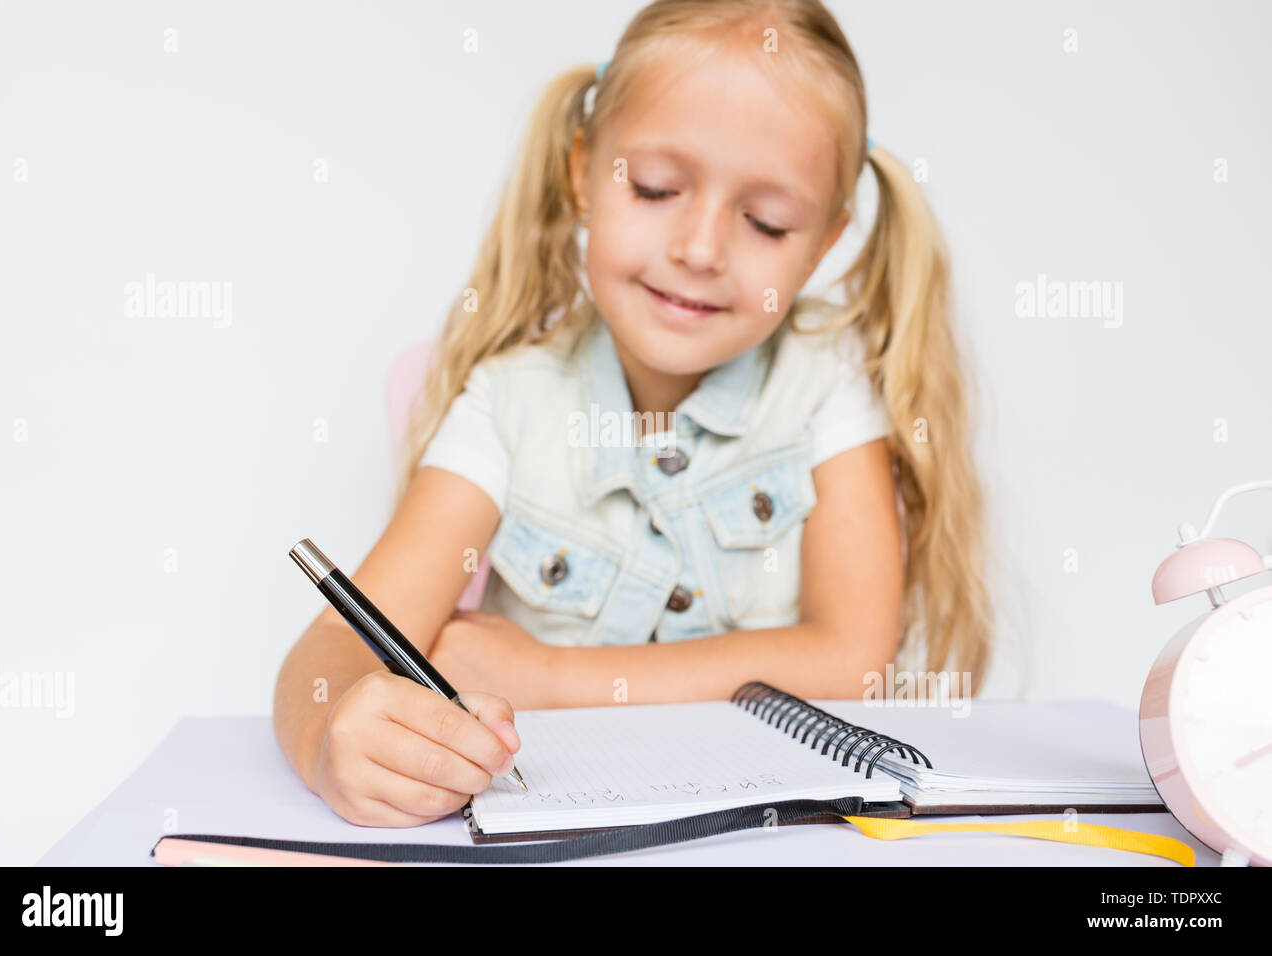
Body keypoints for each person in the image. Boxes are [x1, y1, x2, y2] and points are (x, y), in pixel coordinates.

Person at [274, 0, 994, 828]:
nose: (699, 248)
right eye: (655, 189)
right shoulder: (508, 406)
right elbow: (324, 657)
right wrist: (337, 736)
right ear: (584, 172)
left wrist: (555, 679)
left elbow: (853, 658)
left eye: (766, 221)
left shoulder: (826, 392)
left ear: (824, 244)